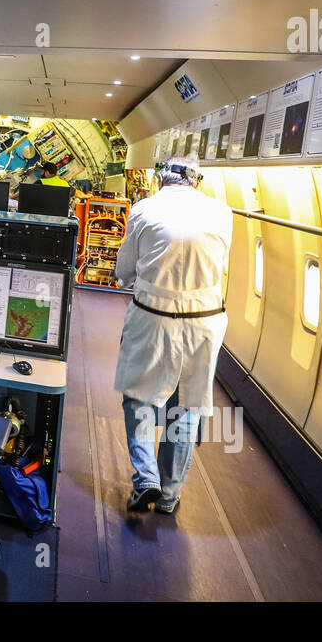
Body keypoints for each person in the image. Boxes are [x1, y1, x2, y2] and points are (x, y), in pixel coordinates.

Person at [113, 156, 232, 514]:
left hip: (153, 318)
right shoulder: (222, 213)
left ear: (160, 180)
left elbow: (124, 270)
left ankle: (145, 476)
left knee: (139, 397)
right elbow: (221, 264)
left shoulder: (143, 209)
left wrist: (128, 278)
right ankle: (169, 495)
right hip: (204, 321)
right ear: (196, 182)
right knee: (186, 407)